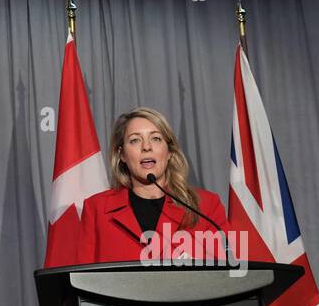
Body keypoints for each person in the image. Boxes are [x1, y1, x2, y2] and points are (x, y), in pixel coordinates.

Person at [78, 107, 228, 263]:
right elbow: (81, 280)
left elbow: (226, 277)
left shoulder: (206, 207)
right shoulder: (96, 209)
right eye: (135, 140)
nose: (146, 147)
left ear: (169, 152)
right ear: (122, 155)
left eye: (156, 138)